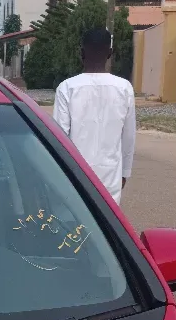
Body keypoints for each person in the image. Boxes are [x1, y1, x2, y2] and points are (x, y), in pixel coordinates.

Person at [52, 27, 135, 204]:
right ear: (110, 53)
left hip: (75, 178)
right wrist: (125, 173)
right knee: (106, 228)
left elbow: (59, 139)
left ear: (81, 53)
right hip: (110, 179)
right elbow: (128, 137)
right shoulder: (124, 88)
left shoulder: (67, 88)